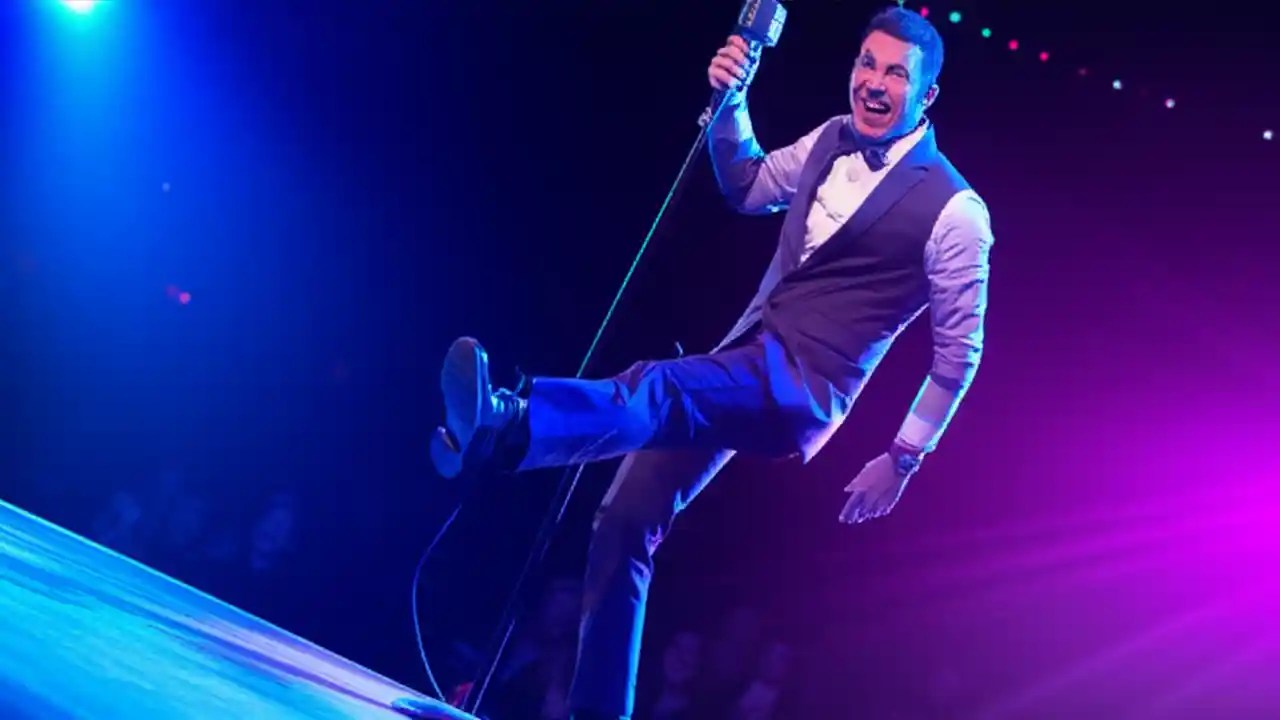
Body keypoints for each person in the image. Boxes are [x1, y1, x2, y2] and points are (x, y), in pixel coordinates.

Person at [429, 7, 993, 720]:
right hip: (749, 357)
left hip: (802, 388)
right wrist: (732, 99)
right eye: (866, 63)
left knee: (658, 388)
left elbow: (958, 354)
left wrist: (903, 456)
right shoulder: (830, 138)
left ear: (926, 95)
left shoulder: (956, 210)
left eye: (895, 74)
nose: (874, 83)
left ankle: (508, 424)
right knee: (624, 520)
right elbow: (748, 184)